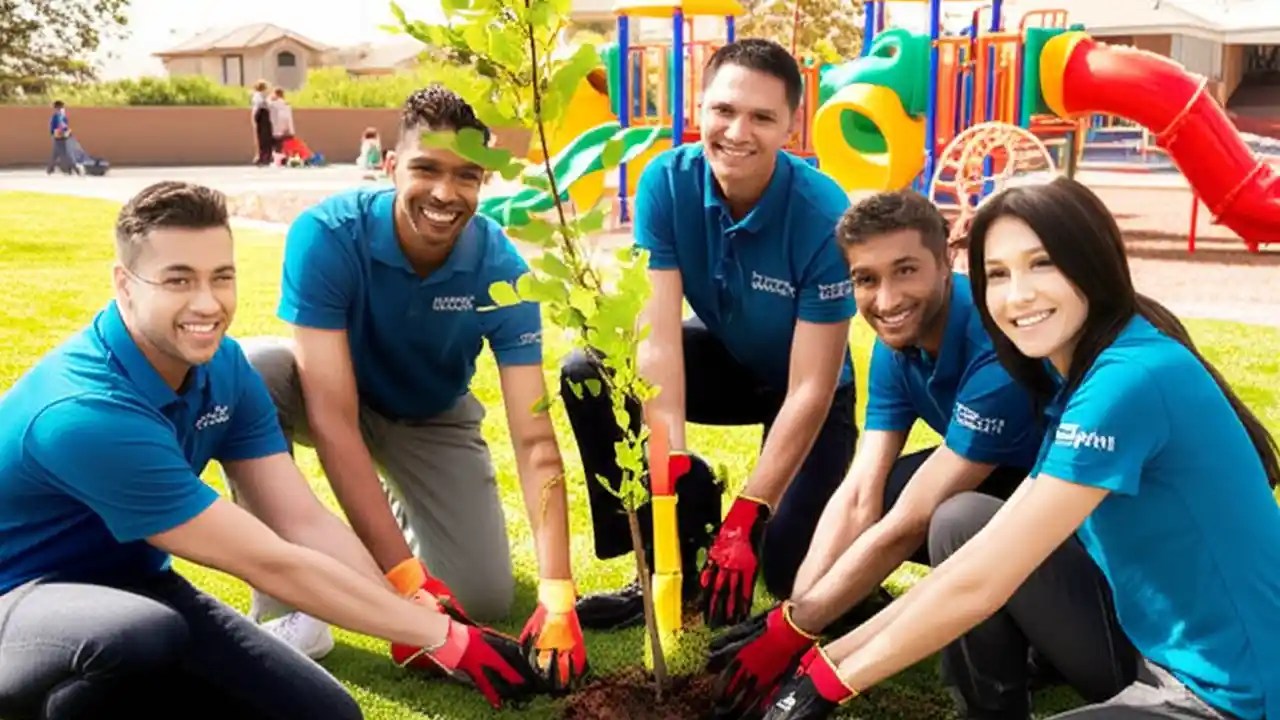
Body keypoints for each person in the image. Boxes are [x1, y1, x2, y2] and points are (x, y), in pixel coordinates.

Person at [0, 181, 543, 720]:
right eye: (179, 280)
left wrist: (410, 609)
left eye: (222, 277)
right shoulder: (87, 413)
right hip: (20, 598)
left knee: (325, 712)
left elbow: (302, 522)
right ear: (125, 284)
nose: (207, 303)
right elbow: (267, 560)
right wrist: (446, 638)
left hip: (134, 584)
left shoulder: (225, 369)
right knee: (133, 639)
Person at [761, 176, 1280, 720]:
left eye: (1043, 264)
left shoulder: (1129, 381)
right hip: (1152, 651)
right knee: (964, 523)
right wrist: (818, 658)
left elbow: (984, 582)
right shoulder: (1077, 379)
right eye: (998, 274)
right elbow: (982, 559)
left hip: (1236, 696)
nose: (1019, 294)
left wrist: (831, 682)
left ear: (1094, 264)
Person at [235, 85, 588, 690]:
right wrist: (406, 581)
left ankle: (400, 511)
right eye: (426, 168)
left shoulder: (502, 271)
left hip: (431, 415)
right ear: (392, 166)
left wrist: (559, 595)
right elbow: (333, 420)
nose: (446, 194)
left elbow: (534, 441)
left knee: (483, 595)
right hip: (331, 395)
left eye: (466, 176)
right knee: (251, 372)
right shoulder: (327, 234)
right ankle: (290, 604)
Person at [707, 190, 1053, 718]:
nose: (885, 300)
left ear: (947, 263)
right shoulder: (896, 345)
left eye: (905, 271)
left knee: (947, 516)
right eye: (866, 279)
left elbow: (914, 519)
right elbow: (860, 490)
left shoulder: (993, 342)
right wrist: (796, 615)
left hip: (1083, 515)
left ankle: (1038, 641)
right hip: (1012, 479)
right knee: (887, 489)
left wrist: (801, 628)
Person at [561, 37, 859, 632]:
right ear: (700, 108)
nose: (737, 131)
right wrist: (666, 474)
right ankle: (666, 557)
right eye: (723, 110)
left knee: (785, 571)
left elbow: (811, 387)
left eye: (762, 117)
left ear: (790, 127)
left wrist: (750, 511)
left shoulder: (824, 211)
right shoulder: (665, 183)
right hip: (727, 361)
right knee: (588, 373)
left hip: (808, 391)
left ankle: (833, 542)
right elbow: (659, 341)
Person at [250, 80, 273, 166]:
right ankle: (263, 156)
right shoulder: (259, 95)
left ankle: (265, 156)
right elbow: (260, 105)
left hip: (262, 115)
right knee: (263, 136)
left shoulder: (261, 96)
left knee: (264, 136)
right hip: (262, 114)